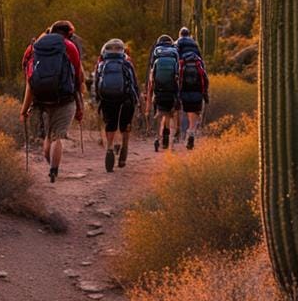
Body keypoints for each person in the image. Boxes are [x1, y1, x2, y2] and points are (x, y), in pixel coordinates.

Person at [21, 20, 85, 183]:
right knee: (58, 136)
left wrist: (25, 109)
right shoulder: (69, 47)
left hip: (41, 99)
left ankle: (51, 164)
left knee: (48, 135)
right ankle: (54, 170)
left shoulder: (34, 48)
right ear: (68, 34)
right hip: (65, 99)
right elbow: (78, 77)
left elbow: (29, 79)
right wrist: (80, 105)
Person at [92, 38, 139, 172]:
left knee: (110, 124)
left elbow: (97, 84)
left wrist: (98, 100)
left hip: (107, 97)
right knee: (125, 125)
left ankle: (110, 147)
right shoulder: (127, 62)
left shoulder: (101, 64)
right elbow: (134, 84)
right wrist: (137, 101)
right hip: (126, 98)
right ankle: (124, 147)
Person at [174, 27, 209, 150]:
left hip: (183, 82)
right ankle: (191, 132)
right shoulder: (195, 44)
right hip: (197, 84)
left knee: (184, 107)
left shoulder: (177, 43)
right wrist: (205, 92)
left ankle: (179, 132)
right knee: (194, 110)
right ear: (189, 35)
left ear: (180, 34)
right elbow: (202, 66)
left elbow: (175, 61)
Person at [146, 34, 180, 151]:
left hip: (158, 88)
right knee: (168, 112)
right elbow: (177, 72)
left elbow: (152, 71)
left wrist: (151, 88)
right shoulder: (174, 51)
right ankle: (166, 134)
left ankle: (157, 138)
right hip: (171, 88)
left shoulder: (156, 51)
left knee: (159, 112)